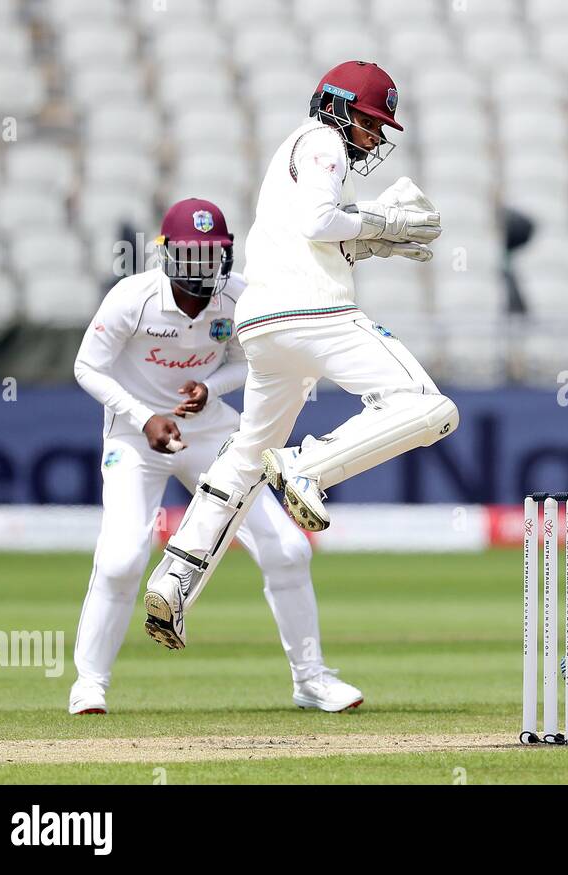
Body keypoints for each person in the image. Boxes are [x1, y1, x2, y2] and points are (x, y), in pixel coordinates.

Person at [142, 61, 457, 652]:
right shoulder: (321, 141)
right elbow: (319, 223)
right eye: (369, 121)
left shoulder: (296, 152)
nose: (375, 137)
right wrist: (383, 219)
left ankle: (174, 579)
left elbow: (316, 233)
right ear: (337, 107)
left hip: (264, 326)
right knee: (428, 406)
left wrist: (374, 238)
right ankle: (312, 467)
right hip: (315, 314)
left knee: (246, 456)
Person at [69, 198, 362, 713]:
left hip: (209, 433)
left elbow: (258, 362)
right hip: (136, 439)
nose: (201, 268)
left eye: (211, 255)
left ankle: (311, 678)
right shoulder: (132, 298)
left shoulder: (239, 296)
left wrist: (209, 386)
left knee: (288, 550)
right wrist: (143, 418)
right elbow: (87, 367)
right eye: (189, 255)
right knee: (120, 560)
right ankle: (90, 684)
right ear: (166, 255)